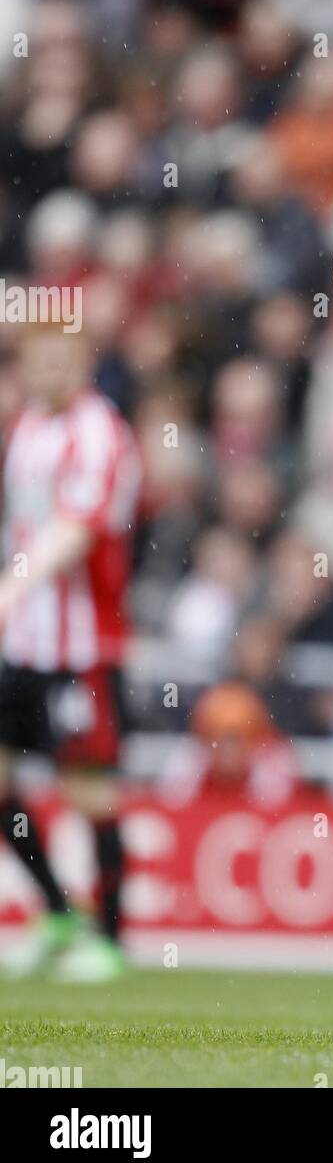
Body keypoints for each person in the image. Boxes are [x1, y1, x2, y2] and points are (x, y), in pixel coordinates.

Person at [0, 322, 141, 982]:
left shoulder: (100, 431)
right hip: (22, 641)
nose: (51, 371)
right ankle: (57, 911)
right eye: (40, 360)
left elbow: (76, 530)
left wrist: (13, 586)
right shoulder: (28, 426)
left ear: (84, 362)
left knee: (90, 791)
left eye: (63, 359)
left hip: (82, 645)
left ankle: (109, 938)